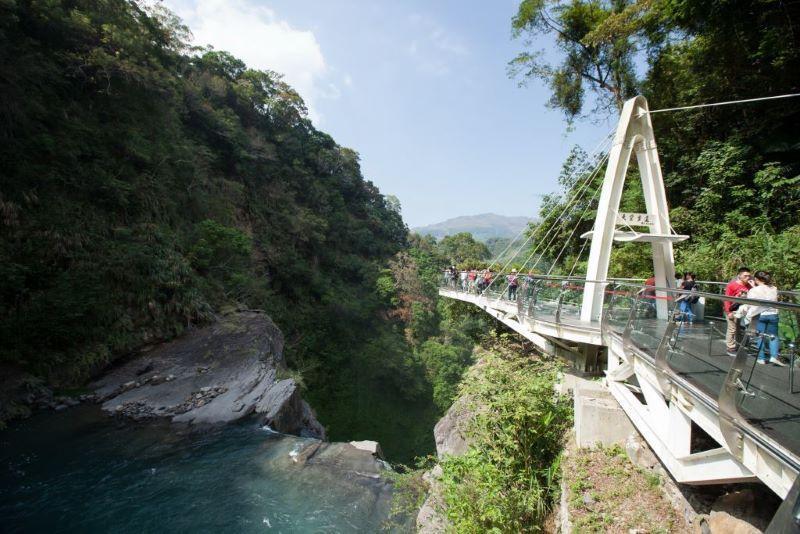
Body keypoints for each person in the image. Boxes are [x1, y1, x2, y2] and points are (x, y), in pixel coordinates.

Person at [744, 271, 782, 365]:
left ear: (756, 279)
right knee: (774, 336)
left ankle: (761, 358)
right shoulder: (774, 288)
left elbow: (751, 302)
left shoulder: (754, 290)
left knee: (760, 336)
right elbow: (767, 296)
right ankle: (774, 356)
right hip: (773, 314)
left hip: (760, 315)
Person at [724, 267, 754, 356]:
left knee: (738, 329)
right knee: (732, 329)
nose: (748, 278)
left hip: (744, 310)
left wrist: (753, 286)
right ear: (739, 276)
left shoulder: (749, 286)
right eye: (745, 276)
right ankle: (730, 347)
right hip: (733, 310)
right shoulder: (732, 285)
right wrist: (728, 312)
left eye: (749, 276)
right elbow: (726, 299)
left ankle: (740, 346)